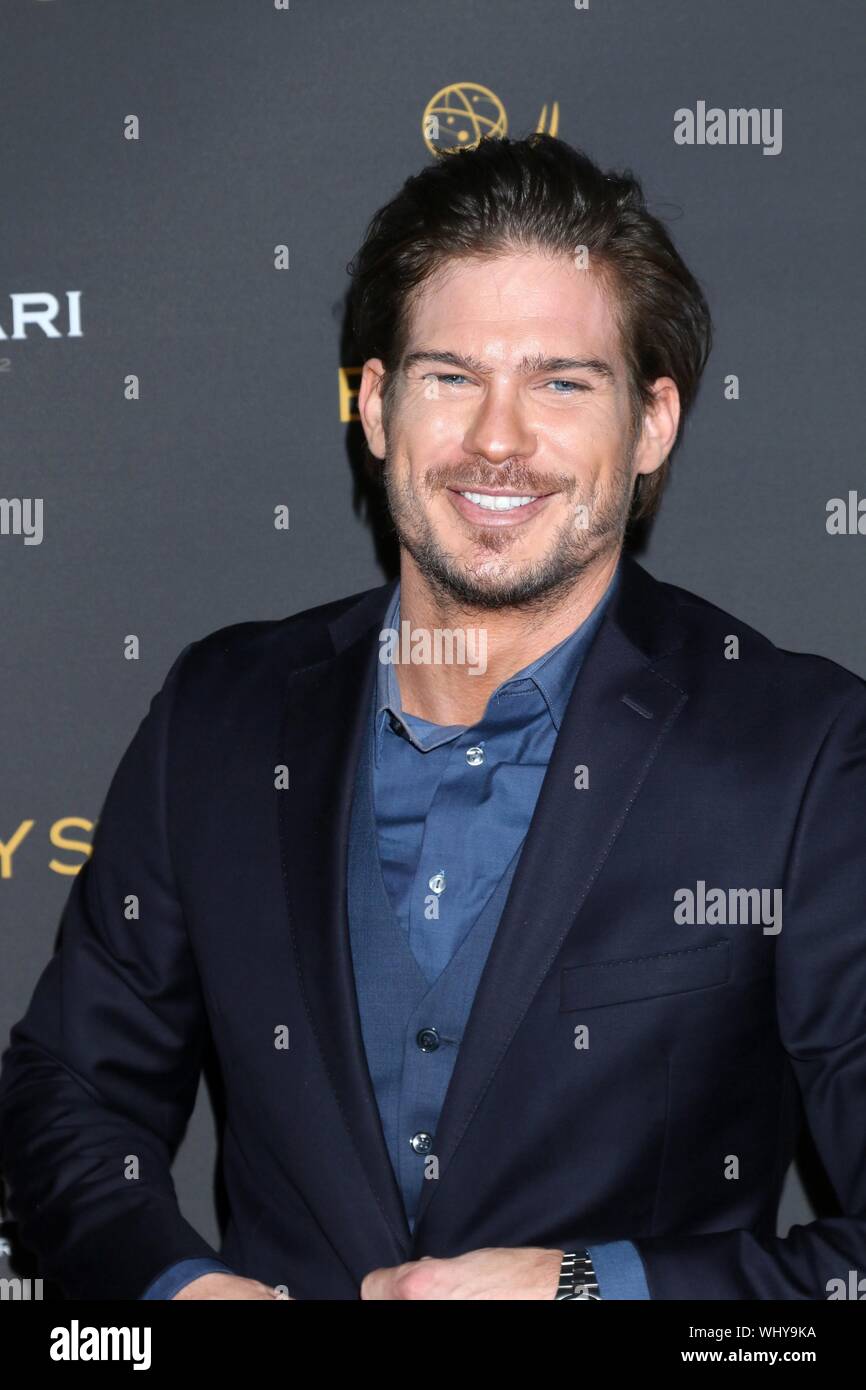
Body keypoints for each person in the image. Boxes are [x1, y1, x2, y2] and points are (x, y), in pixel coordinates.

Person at [1, 133, 864, 1301]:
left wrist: (589, 1294)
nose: (496, 438)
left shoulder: (798, 752)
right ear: (373, 404)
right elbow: (72, 1087)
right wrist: (170, 1291)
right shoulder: (223, 712)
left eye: (561, 381)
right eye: (450, 376)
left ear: (652, 424)